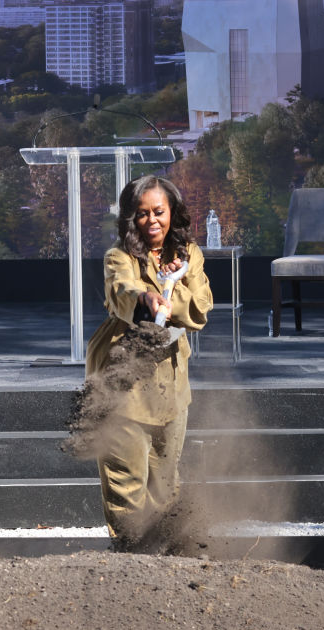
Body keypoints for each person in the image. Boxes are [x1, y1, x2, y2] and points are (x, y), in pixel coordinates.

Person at [85, 175, 213, 547]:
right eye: (142, 214)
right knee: (126, 484)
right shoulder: (118, 256)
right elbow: (120, 290)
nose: (152, 221)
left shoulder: (189, 254)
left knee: (166, 484)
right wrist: (146, 298)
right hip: (122, 382)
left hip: (170, 386)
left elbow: (201, 307)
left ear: (172, 212)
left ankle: (164, 564)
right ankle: (131, 558)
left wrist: (174, 294)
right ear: (130, 218)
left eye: (159, 212)